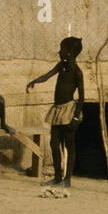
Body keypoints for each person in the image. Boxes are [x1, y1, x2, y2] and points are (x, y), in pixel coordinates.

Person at [27, 37, 84, 188]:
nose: (59, 52)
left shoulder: (77, 72)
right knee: (54, 143)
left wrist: (76, 116)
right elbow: (47, 75)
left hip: (68, 110)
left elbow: (82, 96)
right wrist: (34, 81)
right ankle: (58, 177)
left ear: (70, 53)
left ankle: (67, 179)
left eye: (62, 49)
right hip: (57, 110)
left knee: (69, 145)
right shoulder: (61, 65)